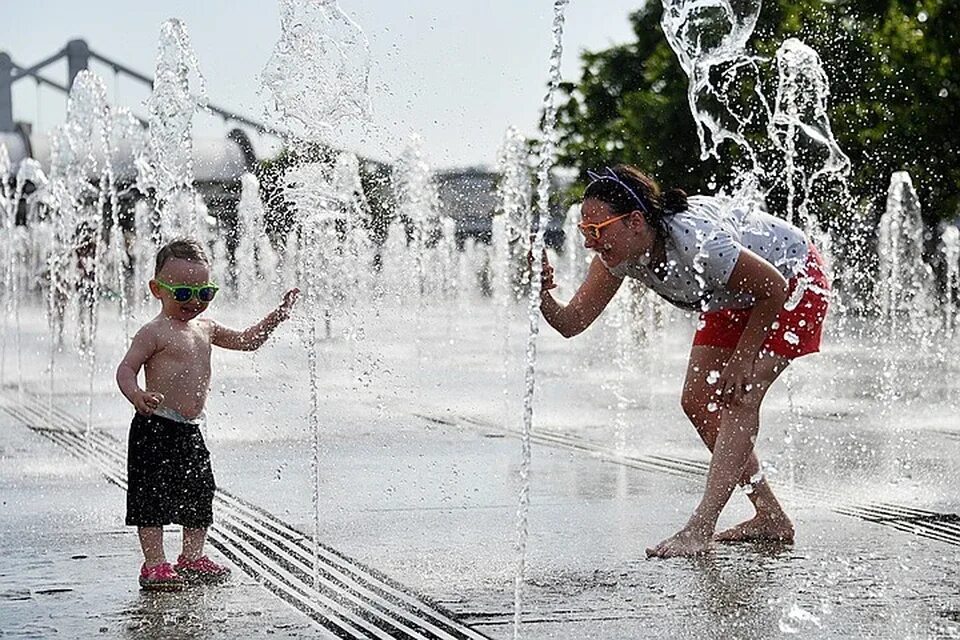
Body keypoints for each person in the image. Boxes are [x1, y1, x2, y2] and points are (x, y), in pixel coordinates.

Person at [538, 165, 829, 558]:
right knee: (696, 400)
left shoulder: (697, 243)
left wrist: (743, 361)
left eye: (598, 230)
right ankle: (770, 516)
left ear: (635, 222)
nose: (590, 243)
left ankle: (699, 529)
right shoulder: (617, 257)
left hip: (791, 279)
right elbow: (571, 323)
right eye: (584, 234)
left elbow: (772, 287)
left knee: (740, 395)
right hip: (732, 295)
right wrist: (539, 294)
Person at [116, 238, 300, 590]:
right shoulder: (153, 332)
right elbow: (126, 369)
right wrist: (136, 394)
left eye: (205, 293)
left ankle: (191, 557)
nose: (194, 302)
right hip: (155, 425)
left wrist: (276, 316)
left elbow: (248, 340)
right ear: (158, 289)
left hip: (189, 429)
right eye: (183, 293)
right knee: (150, 497)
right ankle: (154, 563)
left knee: (200, 493)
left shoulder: (206, 328)